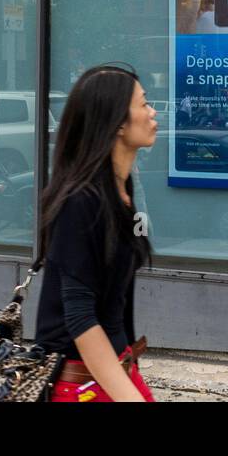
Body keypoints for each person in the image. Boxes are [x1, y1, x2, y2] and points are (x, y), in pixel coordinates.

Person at [34, 63, 157, 402]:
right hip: (79, 384)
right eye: (143, 104)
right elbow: (81, 319)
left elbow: (115, 305)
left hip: (115, 370)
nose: (152, 112)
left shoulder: (123, 191)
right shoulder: (81, 202)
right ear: (118, 122)